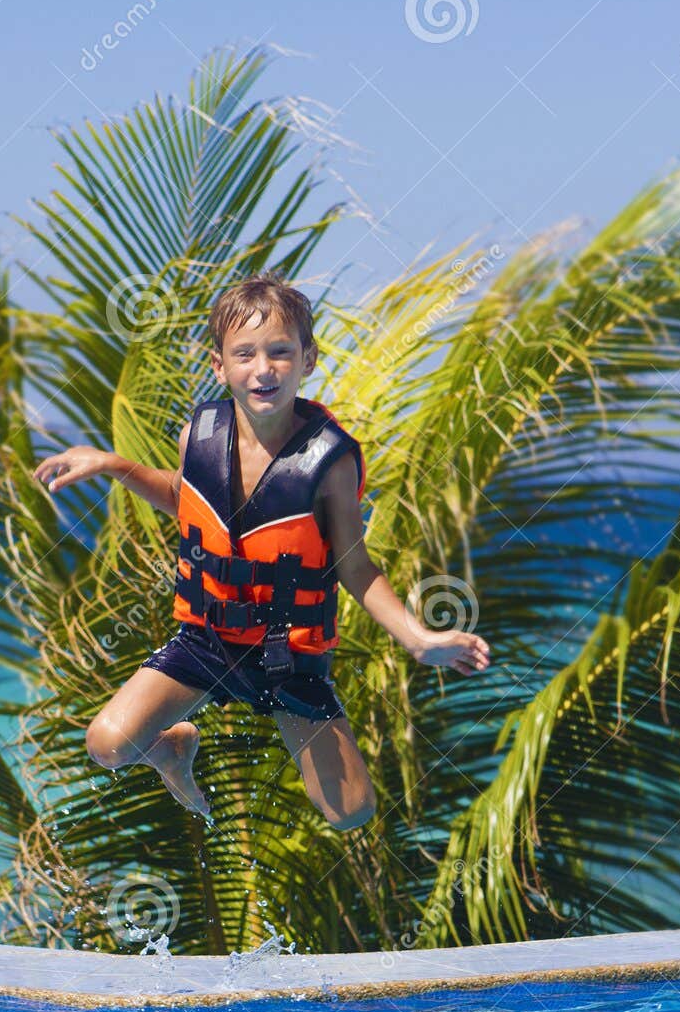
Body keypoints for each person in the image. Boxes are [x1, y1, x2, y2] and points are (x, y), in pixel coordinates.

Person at [32, 271, 490, 830]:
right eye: (244, 354)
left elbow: (355, 565)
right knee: (107, 743)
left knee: (351, 812)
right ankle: (174, 748)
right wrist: (113, 465)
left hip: (289, 656)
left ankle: (266, 735)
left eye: (279, 352)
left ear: (308, 359)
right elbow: (186, 499)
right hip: (207, 640)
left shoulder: (330, 461)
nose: (263, 368)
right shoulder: (197, 434)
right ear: (220, 366)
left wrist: (419, 640)